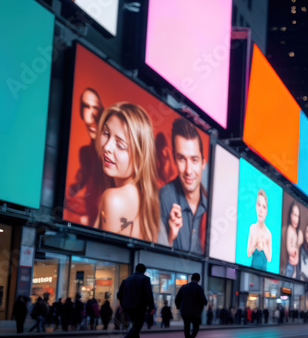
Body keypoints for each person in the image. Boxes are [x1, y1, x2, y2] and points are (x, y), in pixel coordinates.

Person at [93, 103, 161, 243]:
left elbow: (104, 261)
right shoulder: (148, 199)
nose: (107, 147)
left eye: (120, 145)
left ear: (139, 157)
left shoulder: (113, 199)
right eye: (106, 133)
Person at [158, 119, 208, 254]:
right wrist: (170, 238)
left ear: (203, 162)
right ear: (174, 158)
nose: (188, 170)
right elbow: (154, 258)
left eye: (194, 160)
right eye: (181, 159)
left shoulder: (211, 205)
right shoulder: (162, 198)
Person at [65, 88, 104, 225]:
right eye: (86, 107)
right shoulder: (86, 152)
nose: (92, 116)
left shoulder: (108, 153)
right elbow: (84, 185)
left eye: (96, 108)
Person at [117, 263, 154, 338]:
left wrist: (122, 304)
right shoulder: (145, 279)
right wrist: (151, 307)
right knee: (138, 325)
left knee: (135, 325)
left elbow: (119, 295)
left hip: (127, 307)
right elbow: (148, 294)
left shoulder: (126, 280)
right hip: (139, 307)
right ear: (144, 270)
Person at [175, 272, 208, 338]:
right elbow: (203, 299)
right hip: (195, 312)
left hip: (184, 311)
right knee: (196, 326)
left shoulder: (184, 287)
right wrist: (204, 303)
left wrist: (178, 306)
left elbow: (177, 298)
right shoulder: (199, 288)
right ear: (198, 279)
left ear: (191, 278)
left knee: (186, 327)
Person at [247, 188, 273, 270]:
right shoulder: (252, 228)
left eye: (264, 207)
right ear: (255, 206)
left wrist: (264, 246)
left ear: (267, 210)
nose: (261, 210)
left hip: (263, 275)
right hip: (251, 271)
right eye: (259, 205)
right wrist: (255, 244)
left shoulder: (268, 234)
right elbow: (248, 253)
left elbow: (269, 258)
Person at [283, 201, 302, 278]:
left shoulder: (298, 232)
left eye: (298, 216)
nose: (296, 219)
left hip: (296, 268)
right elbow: (289, 249)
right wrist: (295, 251)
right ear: (290, 215)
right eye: (294, 215)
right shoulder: (289, 230)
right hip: (290, 266)